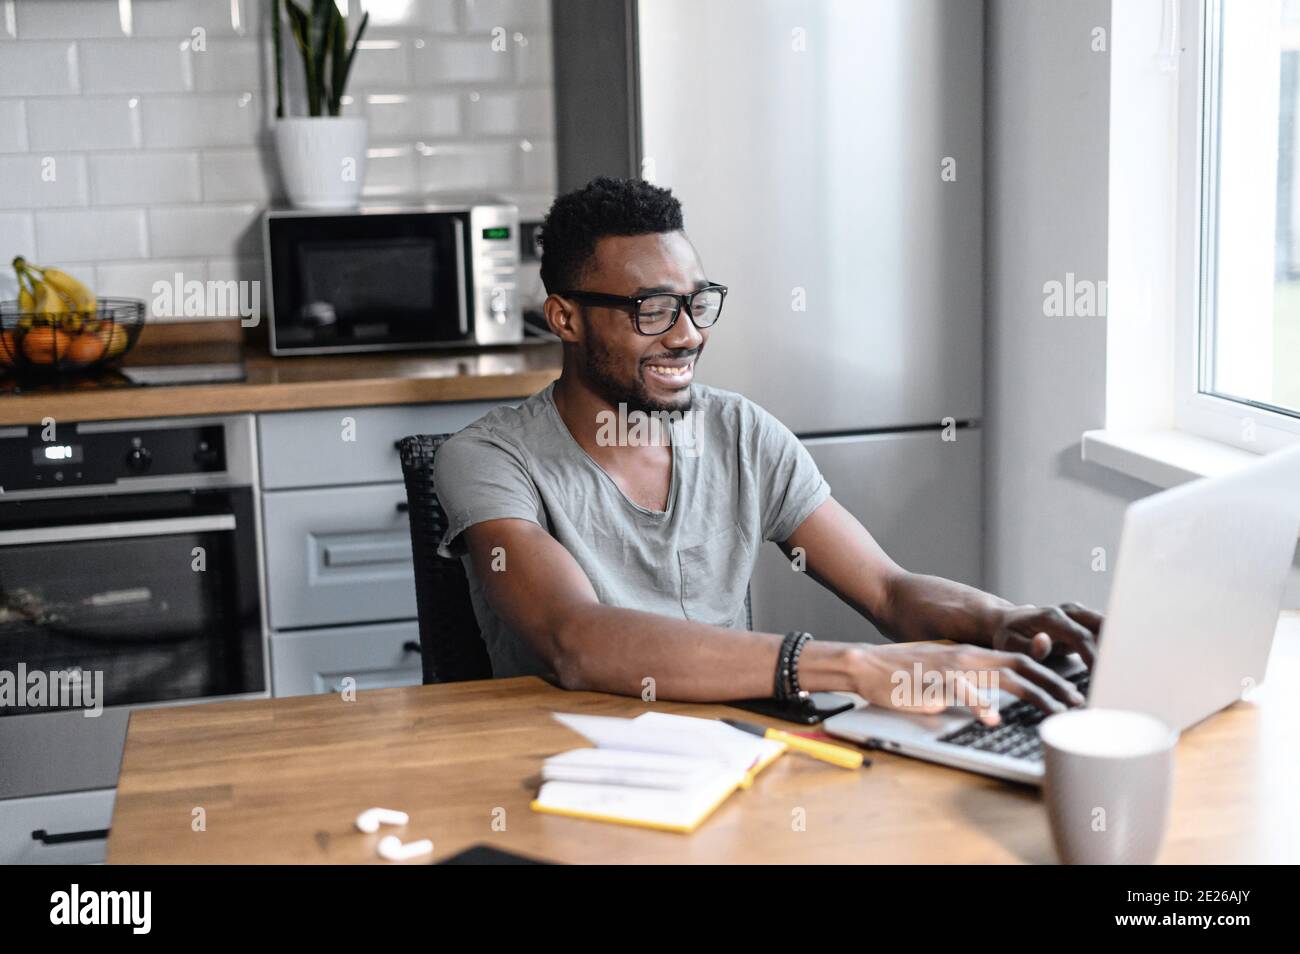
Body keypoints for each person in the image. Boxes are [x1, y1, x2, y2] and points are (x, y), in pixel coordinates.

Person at [435, 176, 1098, 724]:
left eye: (698, 303)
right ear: (565, 318)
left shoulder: (741, 433)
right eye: (654, 309)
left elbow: (889, 592)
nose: (687, 335)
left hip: (731, 755)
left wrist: (1000, 619)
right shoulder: (489, 459)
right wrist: (854, 668)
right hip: (562, 767)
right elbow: (572, 639)